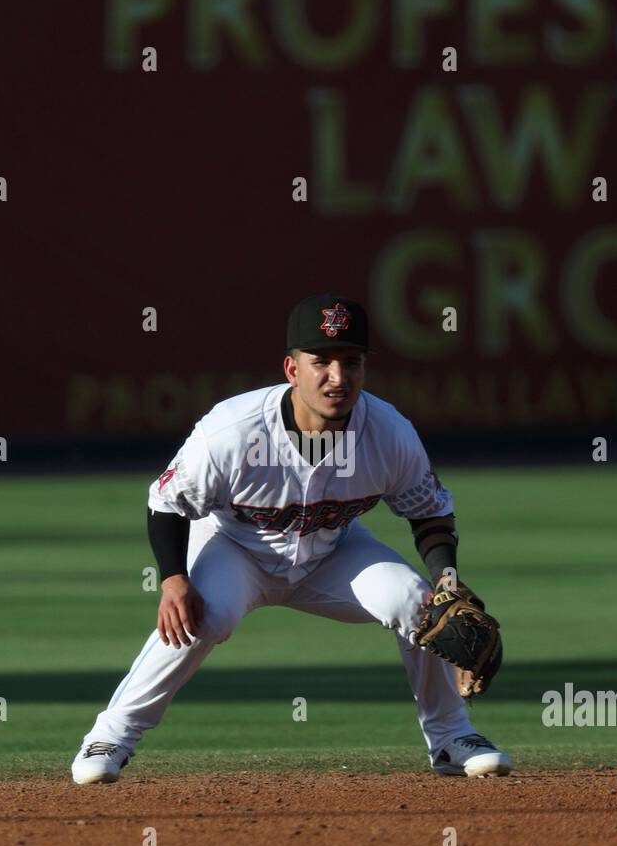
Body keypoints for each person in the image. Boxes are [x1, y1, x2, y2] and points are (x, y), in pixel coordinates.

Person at [71, 293, 511, 784]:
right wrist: (173, 578)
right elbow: (167, 502)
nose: (338, 377)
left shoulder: (389, 432)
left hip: (333, 551)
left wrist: (446, 578)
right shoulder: (232, 431)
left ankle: (452, 737)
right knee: (201, 615)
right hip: (237, 549)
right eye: (321, 361)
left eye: (352, 362)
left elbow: (430, 513)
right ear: (292, 368)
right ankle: (110, 736)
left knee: (420, 602)